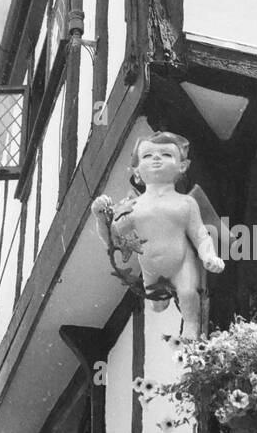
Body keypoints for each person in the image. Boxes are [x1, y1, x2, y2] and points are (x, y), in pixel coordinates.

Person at [91, 131, 224, 334]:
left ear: (182, 166)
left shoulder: (186, 202)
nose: (156, 158)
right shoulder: (133, 207)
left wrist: (209, 255)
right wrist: (101, 218)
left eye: (166, 154)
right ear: (136, 171)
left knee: (188, 294)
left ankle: (191, 336)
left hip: (182, 262)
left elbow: (199, 234)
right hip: (151, 267)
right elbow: (113, 240)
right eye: (147, 155)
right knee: (158, 306)